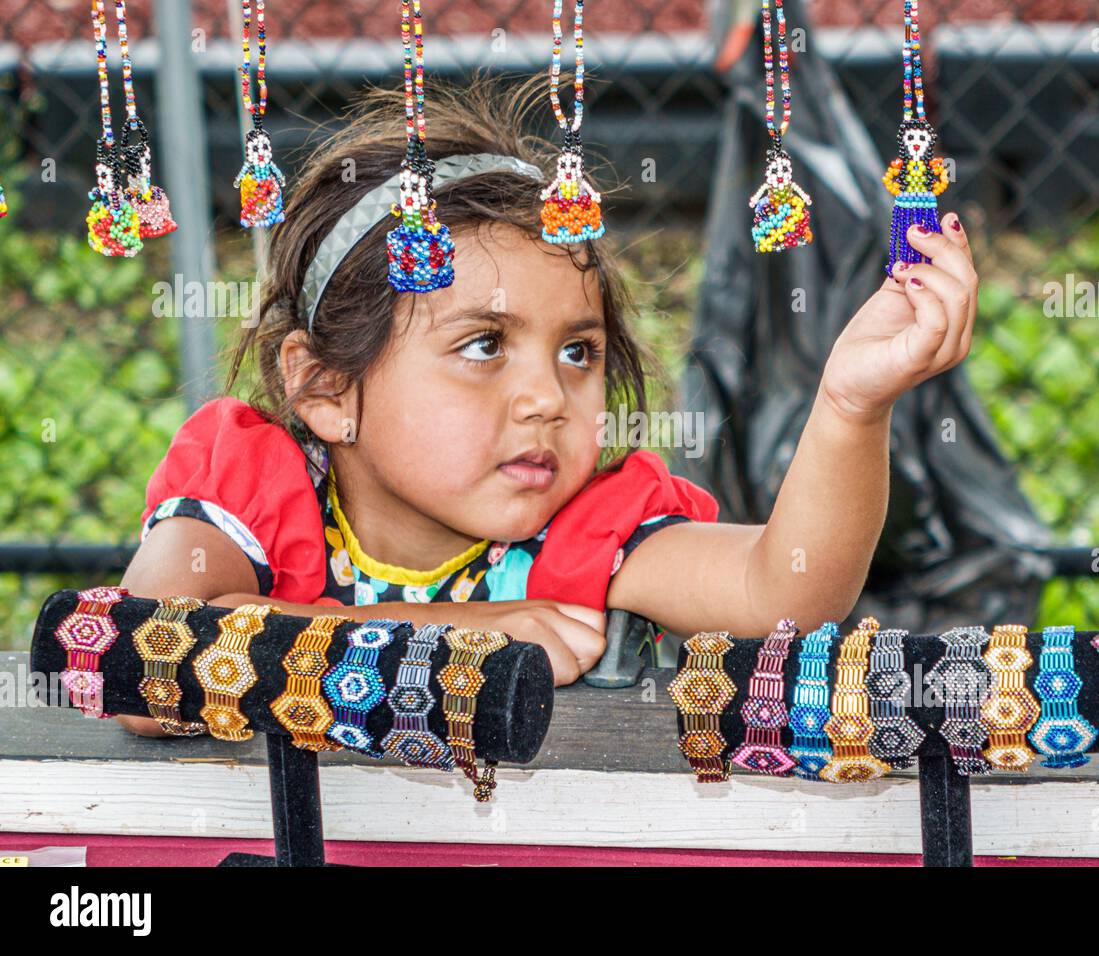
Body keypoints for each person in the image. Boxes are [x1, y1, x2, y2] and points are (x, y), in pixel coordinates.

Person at [118, 72, 976, 735]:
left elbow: (783, 593)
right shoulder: (251, 486)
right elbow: (144, 656)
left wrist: (850, 407)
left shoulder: (580, 531)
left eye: (579, 352)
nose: (546, 397)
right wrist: (463, 634)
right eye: (484, 344)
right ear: (323, 387)